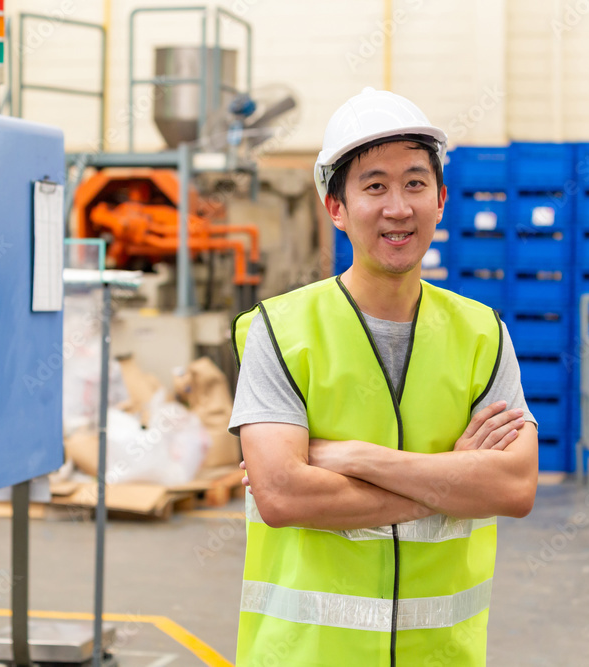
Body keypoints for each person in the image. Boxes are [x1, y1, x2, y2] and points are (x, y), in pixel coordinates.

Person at [229, 87, 539, 666]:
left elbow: (514, 489)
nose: (398, 207)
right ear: (336, 207)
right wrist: (452, 485)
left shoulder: (483, 334)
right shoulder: (280, 331)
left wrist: (353, 457)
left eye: (415, 184)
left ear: (441, 199)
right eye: (374, 186)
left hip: (440, 655)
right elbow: (281, 493)